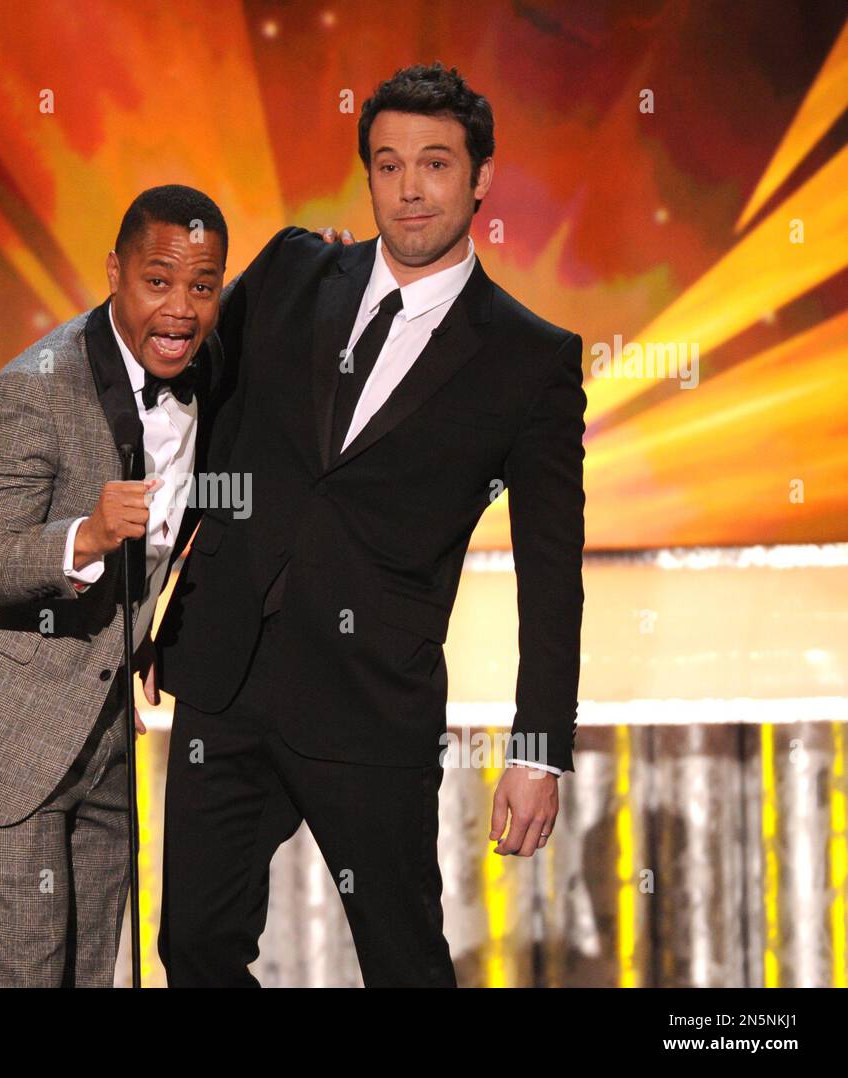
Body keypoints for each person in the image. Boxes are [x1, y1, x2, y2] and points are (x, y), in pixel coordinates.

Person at [151, 63, 587, 987]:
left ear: (481, 179)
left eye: (435, 164)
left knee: (404, 965)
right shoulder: (292, 269)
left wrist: (538, 750)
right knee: (191, 949)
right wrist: (154, 609)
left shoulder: (529, 360)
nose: (410, 188)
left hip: (368, 700)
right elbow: (198, 426)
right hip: (225, 676)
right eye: (388, 164)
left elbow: (554, 574)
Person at [0, 185, 229, 986]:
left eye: (203, 286)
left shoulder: (210, 372)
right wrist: (82, 535)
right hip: (5, 737)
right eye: (158, 281)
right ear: (115, 272)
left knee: (89, 974)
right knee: (25, 975)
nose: (180, 309)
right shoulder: (34, 390)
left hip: (105, 734)